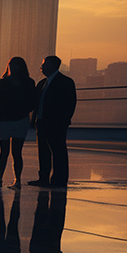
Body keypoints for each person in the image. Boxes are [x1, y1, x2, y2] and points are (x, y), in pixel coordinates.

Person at [29, 56, 77, 188]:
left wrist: (64, 121)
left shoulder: (65, 82)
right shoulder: (43, 83)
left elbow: (70, 103)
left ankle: (59, 179)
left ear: (54, 65)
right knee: (43, 151)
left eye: (44, 64)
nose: (42, 66)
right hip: (42, 122)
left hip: (56, 124)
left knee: (58, 151)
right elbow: (36, 103)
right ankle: (43, 178)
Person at [0, 57, 37, 188]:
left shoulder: (2, 83)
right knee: (15, 151)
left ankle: (0, 180)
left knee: (5, 151)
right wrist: (24, 111)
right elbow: (33, 101)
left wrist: (0, 109)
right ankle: (15, 180)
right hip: (20, 120)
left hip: (4, 120)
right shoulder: (28, 83)